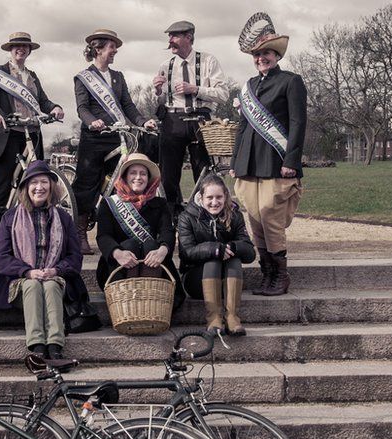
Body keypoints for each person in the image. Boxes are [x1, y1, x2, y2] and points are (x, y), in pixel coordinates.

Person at [232, 12, 307, 296]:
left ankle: (281, 277)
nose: (261, 58)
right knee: (254, 218)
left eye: (266, 53)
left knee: (270, 216)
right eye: (257, 54)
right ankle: (267, 275)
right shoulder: (249, 86)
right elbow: (242, 127)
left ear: (276, 55)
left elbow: (299, 123)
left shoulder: (291, 81)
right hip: (250, 162)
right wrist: (235, 161)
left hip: (277, 162)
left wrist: (291, 160)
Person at [0, 161, 86, 359]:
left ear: (51, 186)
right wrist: (27, 271)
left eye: (44, 182)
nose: (39, 187)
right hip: (20, 283)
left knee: (50, 285)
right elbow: (2, 258)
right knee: (32, 285)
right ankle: (37, 346)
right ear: (26, 188)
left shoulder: (63, 218)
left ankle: (55, 346)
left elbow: (75, 257)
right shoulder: (10, 218)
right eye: (34, 182)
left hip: (55, 279)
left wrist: (56, 270)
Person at [0, 32, 65, 255]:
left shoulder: (32, 75)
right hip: (8, 133)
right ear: (10, 49)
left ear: (29, 50)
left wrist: (54, 107)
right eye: (17, 46)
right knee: (4, 183)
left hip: (31, 131)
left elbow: (42, 101)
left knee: (33, 180)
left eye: (25, 47)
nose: (21, 49)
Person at [72, 29, 149, 255]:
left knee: (116, 184)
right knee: (87, 185)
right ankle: (79, 232)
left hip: (117, 137)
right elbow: (82, 107)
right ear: (98, 49)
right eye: (112, 46)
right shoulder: (83, 77)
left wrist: (143, 122)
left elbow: (128, 106)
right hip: (94, 138)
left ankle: (115, 231)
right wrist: (92, 121)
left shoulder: (118, 77)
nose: (115, 51)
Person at [152, 21, 229, 218]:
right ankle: (170, 221)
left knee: (202, 173)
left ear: (189, 37)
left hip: (200, 119)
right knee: (168, 176)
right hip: (172, 120)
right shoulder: (165, 65)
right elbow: (160, 99)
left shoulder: (208, 61)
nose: (170, 41)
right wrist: (158, 90)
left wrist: (195, 89)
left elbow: (223, 94)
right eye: (169, 36)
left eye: (175, 36)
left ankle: (203, 219)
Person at [94, 153, 184, 309]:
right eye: (133, 173)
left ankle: (151, 304)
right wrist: (118, 253)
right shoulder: (108, 204)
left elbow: (167, 232)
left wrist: (163, 251)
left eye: (143, 173)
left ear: (149, 178)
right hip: (118, 266)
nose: (138, 177)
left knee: (150, 245)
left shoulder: (160, 204)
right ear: (125, 177)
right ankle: (128, 305)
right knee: (130, 244)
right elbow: (103, 236)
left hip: (152, 263)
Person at [177, 173, 256, 335]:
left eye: (219, 197)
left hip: (226, 282)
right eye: (210, 197)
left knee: (234, 259)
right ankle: (213, 318)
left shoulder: (234, 215)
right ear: (201, 197)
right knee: (213, 260)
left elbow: (250, 253)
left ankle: (233, 317)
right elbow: (186, 253)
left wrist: (232, 247)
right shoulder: (187, 216)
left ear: (226, 196)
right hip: (196, 280)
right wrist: (214, 249)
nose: (214, 202)